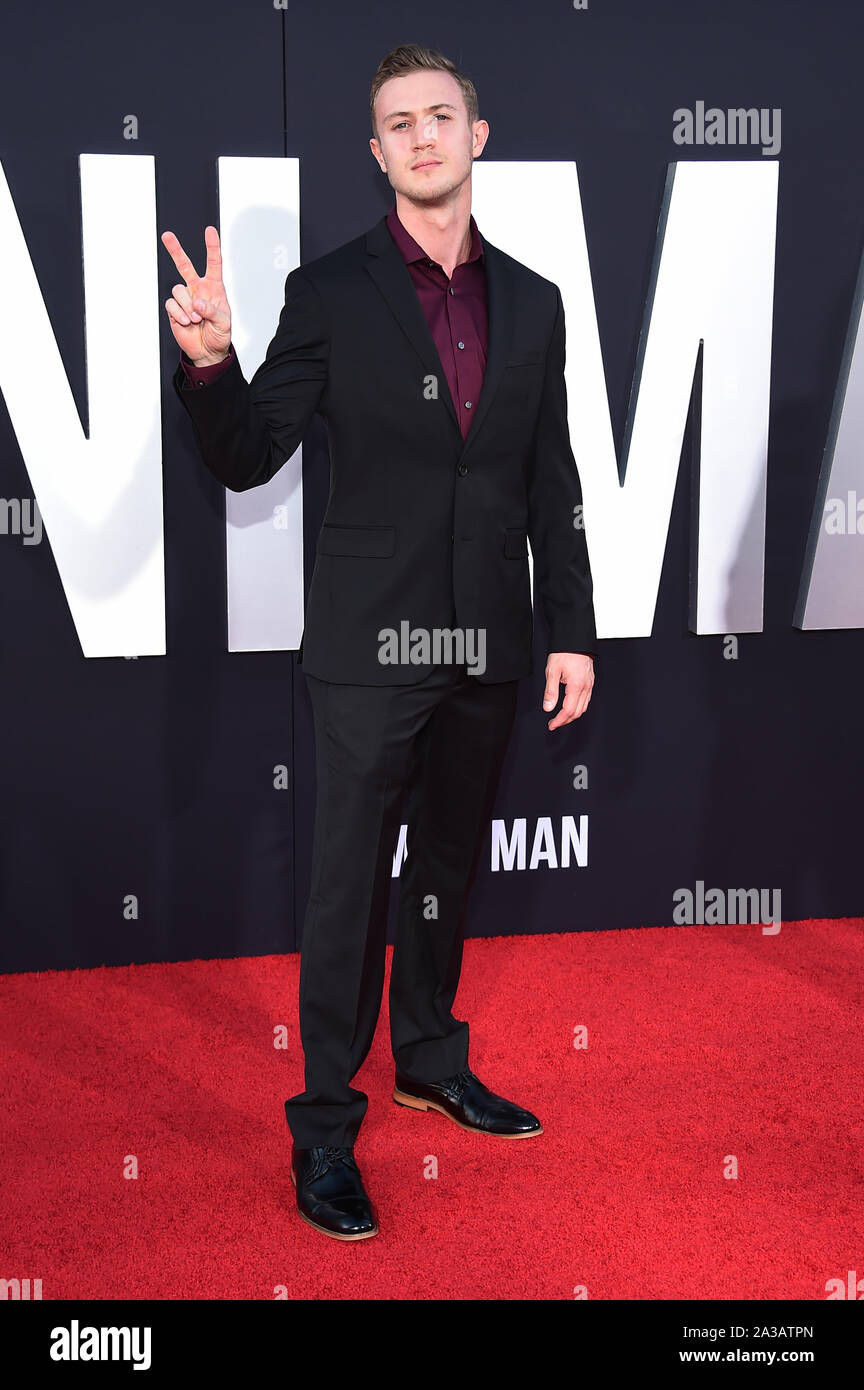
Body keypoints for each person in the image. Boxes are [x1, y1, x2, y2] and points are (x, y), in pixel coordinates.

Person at [162, 42, 596, 1242]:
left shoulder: (536, 300)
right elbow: (251, 454)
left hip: (488, 646)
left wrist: (572, 627)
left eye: (439, 116)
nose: (420, 136)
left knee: (447, 870)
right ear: (375, 152)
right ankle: (322, 1132)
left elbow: (550, 477)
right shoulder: (331, 292)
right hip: (367, 650)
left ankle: (431, 1061)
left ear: (477, 135)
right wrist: (210, 366)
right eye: (397, 123)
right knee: (349, 895)